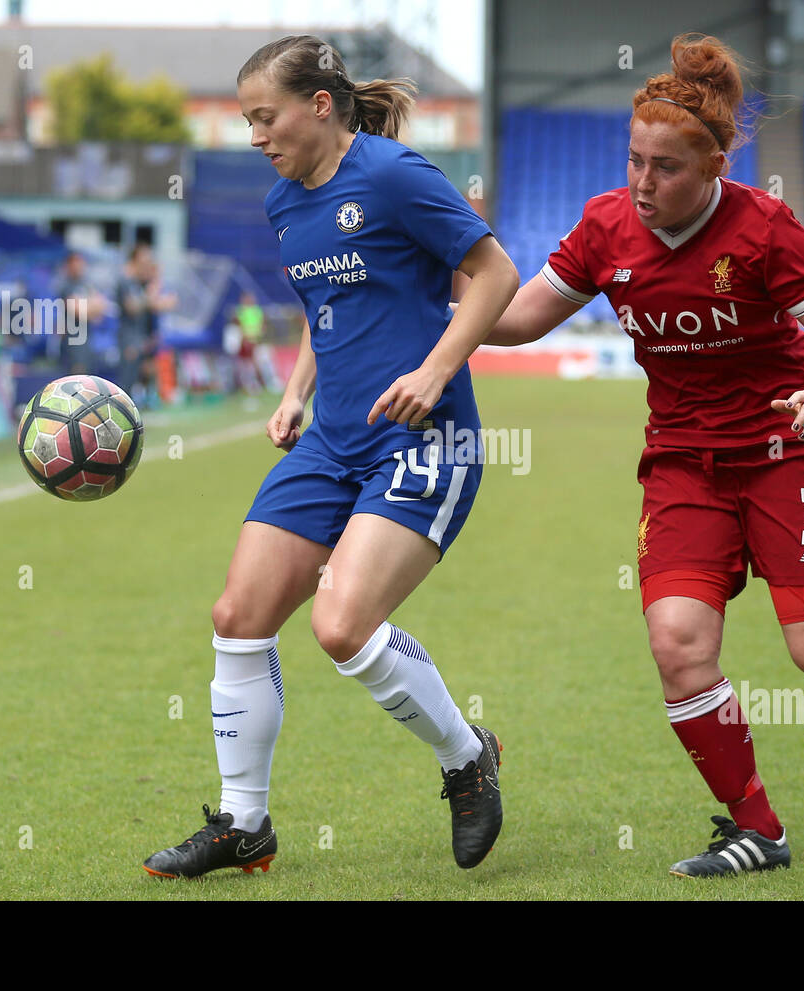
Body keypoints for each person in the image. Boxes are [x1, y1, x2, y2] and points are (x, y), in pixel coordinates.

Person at [483, 33, 804, 877]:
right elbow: (516, 320)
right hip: (682, 463)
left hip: (787, 454)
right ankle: (758, 828)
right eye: (633, 160)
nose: (641, 182)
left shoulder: (766, 228)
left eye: (663, 167)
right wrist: (445, 289)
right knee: (678, 643)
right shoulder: (604, 227)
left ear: (712, 170)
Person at [141, 34, 520, 879]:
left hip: (423, 439)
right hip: (333, 440)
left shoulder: (392, 174)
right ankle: (244, 823)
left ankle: (467, 757)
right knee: (238, 617)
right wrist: (293, 390)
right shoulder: (284, 201)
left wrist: (435, 368)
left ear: (320, 105)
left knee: (341, 625)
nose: (254, 136)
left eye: (263, 116)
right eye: (246, 121)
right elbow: (327, 307)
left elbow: (494, 274)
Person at [116, 244, 175, 408]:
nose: (147, 261)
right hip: (129, 338)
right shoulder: (126, 281)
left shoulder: (140, 282)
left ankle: (144, 404)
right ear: (135, 260)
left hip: (142, 336)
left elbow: (163, 303)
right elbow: (132, 307)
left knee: (143, 374)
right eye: (144, 258)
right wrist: (151, 297)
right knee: (127, 380)